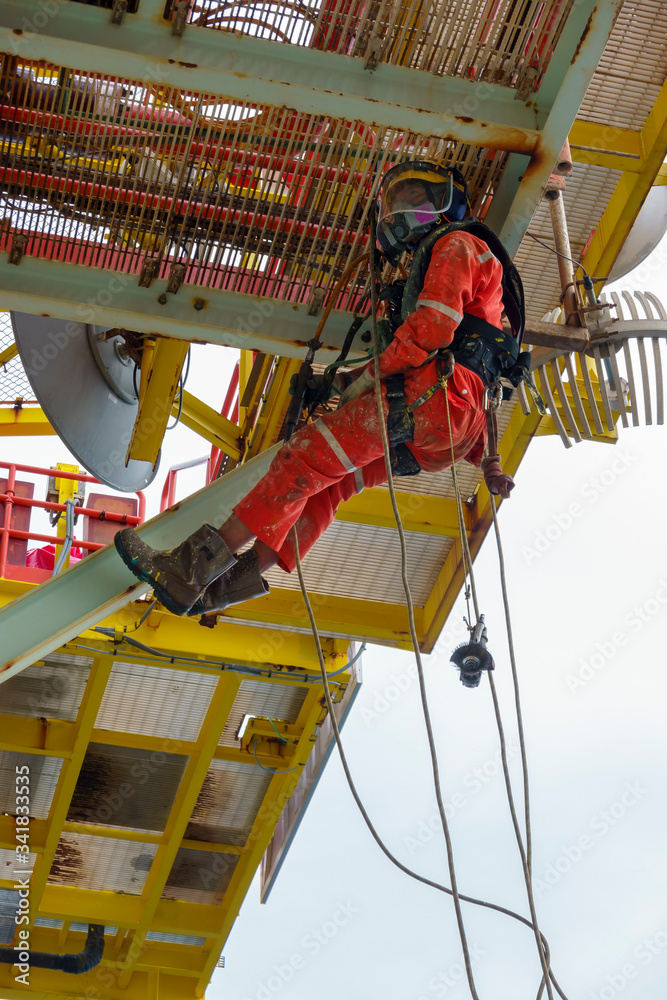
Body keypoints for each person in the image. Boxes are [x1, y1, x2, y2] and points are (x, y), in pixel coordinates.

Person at [115, 160, 525, 619]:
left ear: (448, 203)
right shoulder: (448, 268)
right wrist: (341, 382)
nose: (406, 212)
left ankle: (186, 572)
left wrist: (364, 380)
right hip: (447, 424)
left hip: (436, 398)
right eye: (399, 203)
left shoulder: (456, 243)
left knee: (303, 459)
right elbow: (452, 360)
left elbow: (432, 329)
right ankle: (220, 589)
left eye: (418, 199)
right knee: (330, 484)